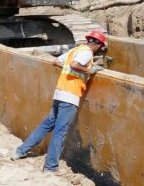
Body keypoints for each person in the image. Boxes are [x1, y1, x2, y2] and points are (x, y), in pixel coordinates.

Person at [10, 30, 108, 174]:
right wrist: (89, 70)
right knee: (60, 131)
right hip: (70, 96)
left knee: (46, 125)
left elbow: (56, 61)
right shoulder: (87, 52)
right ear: (98, 44)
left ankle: (19, 152)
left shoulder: (75, 50)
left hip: (60, 93)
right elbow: (74, 65)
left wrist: (76, 70)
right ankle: (50, 167)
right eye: (101, 47)